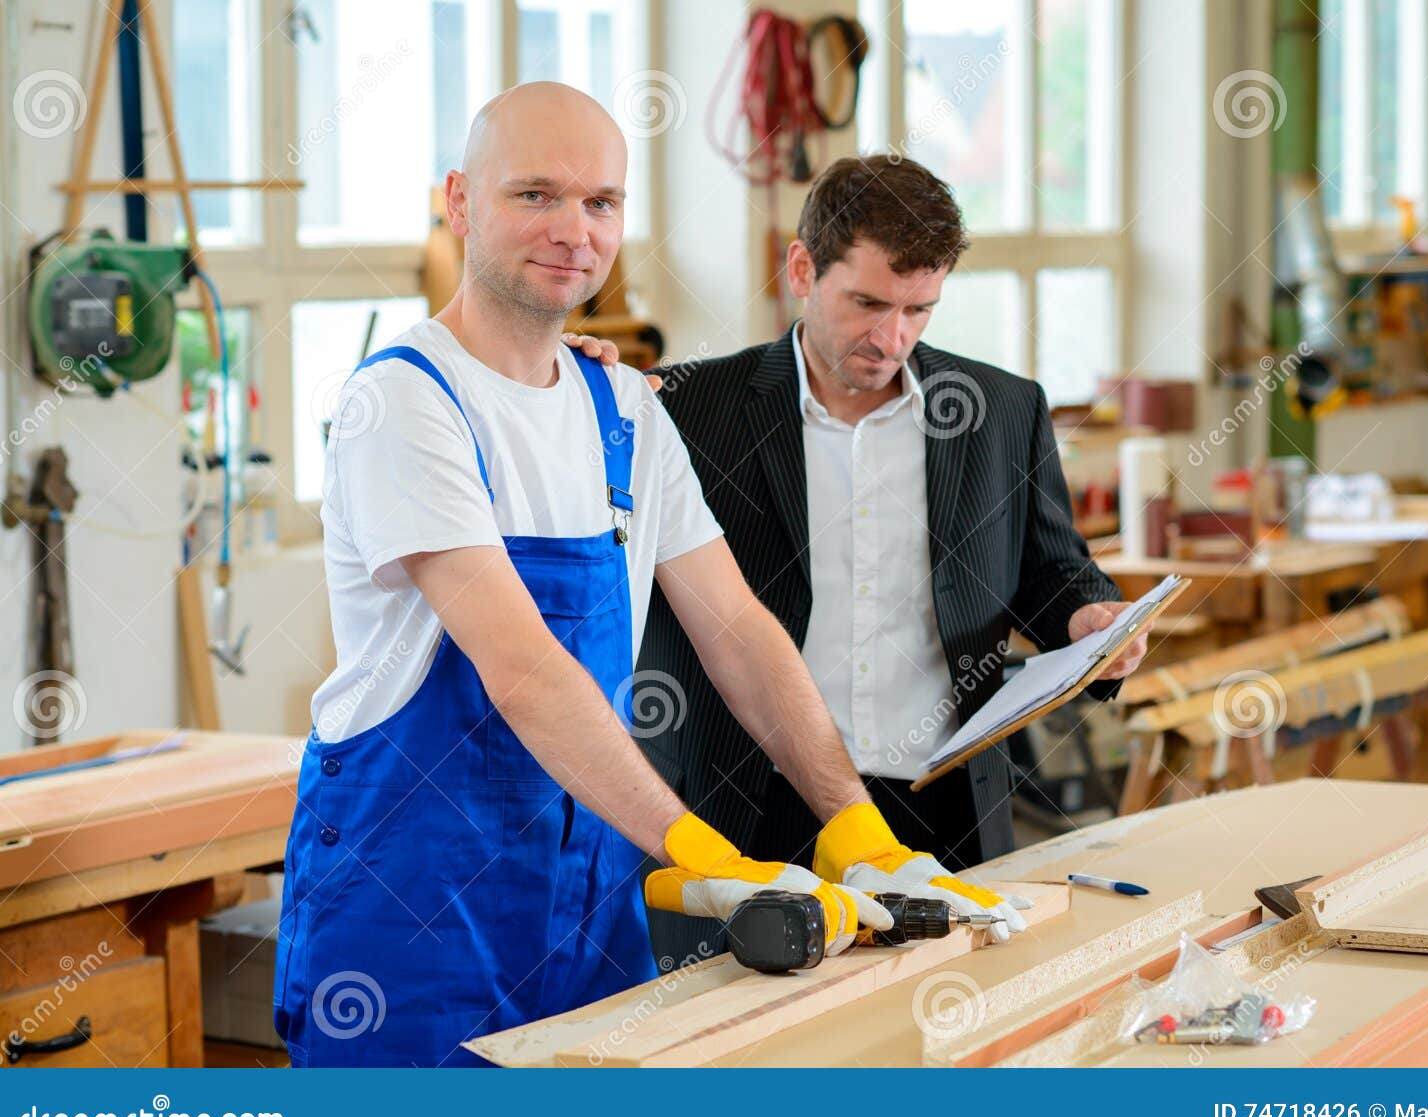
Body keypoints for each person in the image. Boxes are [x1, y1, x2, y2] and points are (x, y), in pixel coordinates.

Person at [273, 86, 1023, 1067]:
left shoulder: (623, 408)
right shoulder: (406, 406)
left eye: (601, 203)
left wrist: (857, 825)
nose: (573, 232)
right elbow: (526, 673)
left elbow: (739, 634)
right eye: (535, 195)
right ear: (457, 202)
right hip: (412, 923)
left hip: (584, 905)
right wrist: (700, 851)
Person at [638, 154, 1146, 967]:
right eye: (867, 303)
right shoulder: (691, 408)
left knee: (948, 1036)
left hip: (943, 806)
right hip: (753, 801)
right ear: (803, 268)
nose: (892, 337)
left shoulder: (1000, 411)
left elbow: (1055, 571)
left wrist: (1090, 617)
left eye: (919, 309)